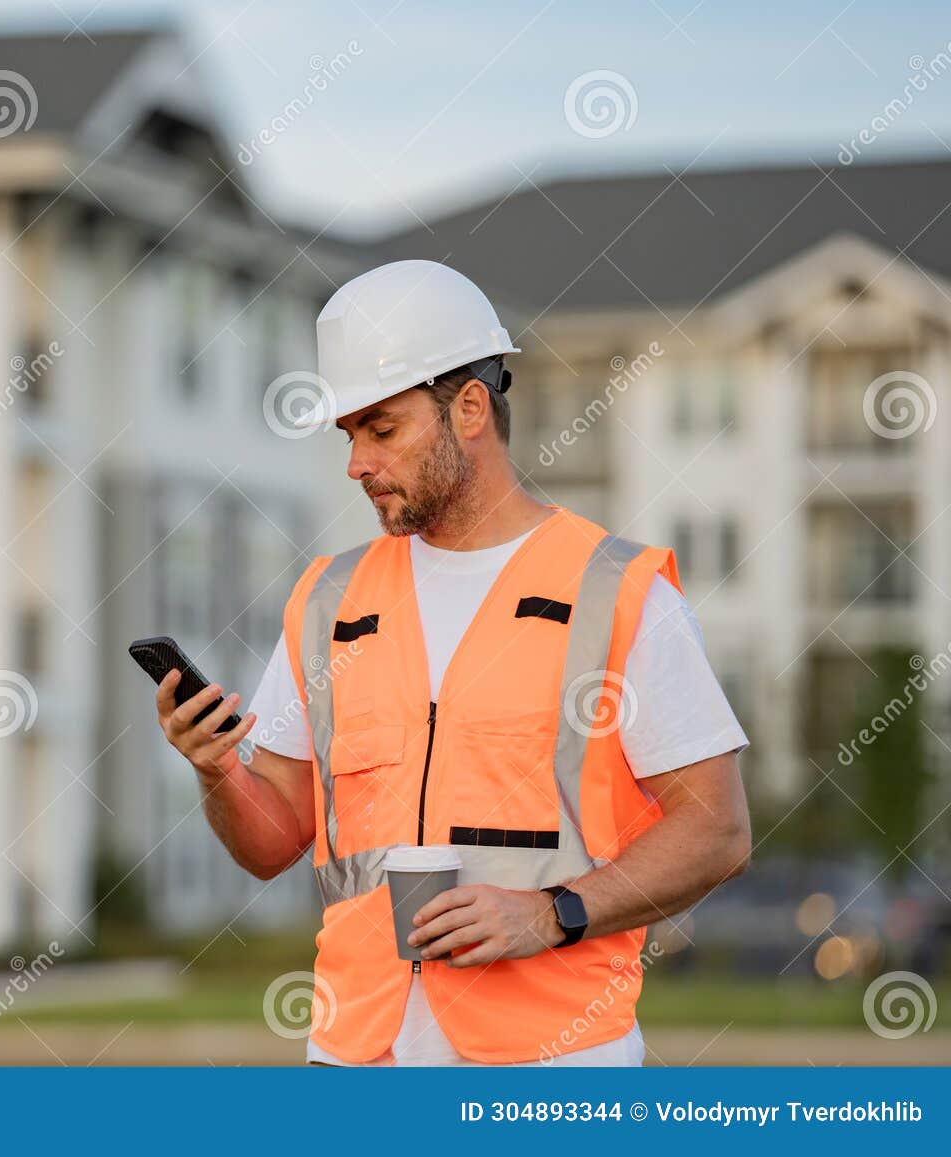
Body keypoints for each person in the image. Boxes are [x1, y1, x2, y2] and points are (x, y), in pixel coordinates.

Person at [154, 260, 751, 1067]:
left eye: (383, 428)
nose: (357, 462)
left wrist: (551, 912)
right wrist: (218, 769)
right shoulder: (326, 601)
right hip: (356, 1055)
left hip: (554, 1062)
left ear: (469, 408)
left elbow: (716, 830)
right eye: (350, 434)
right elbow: (274, 841)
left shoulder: (619, 594)